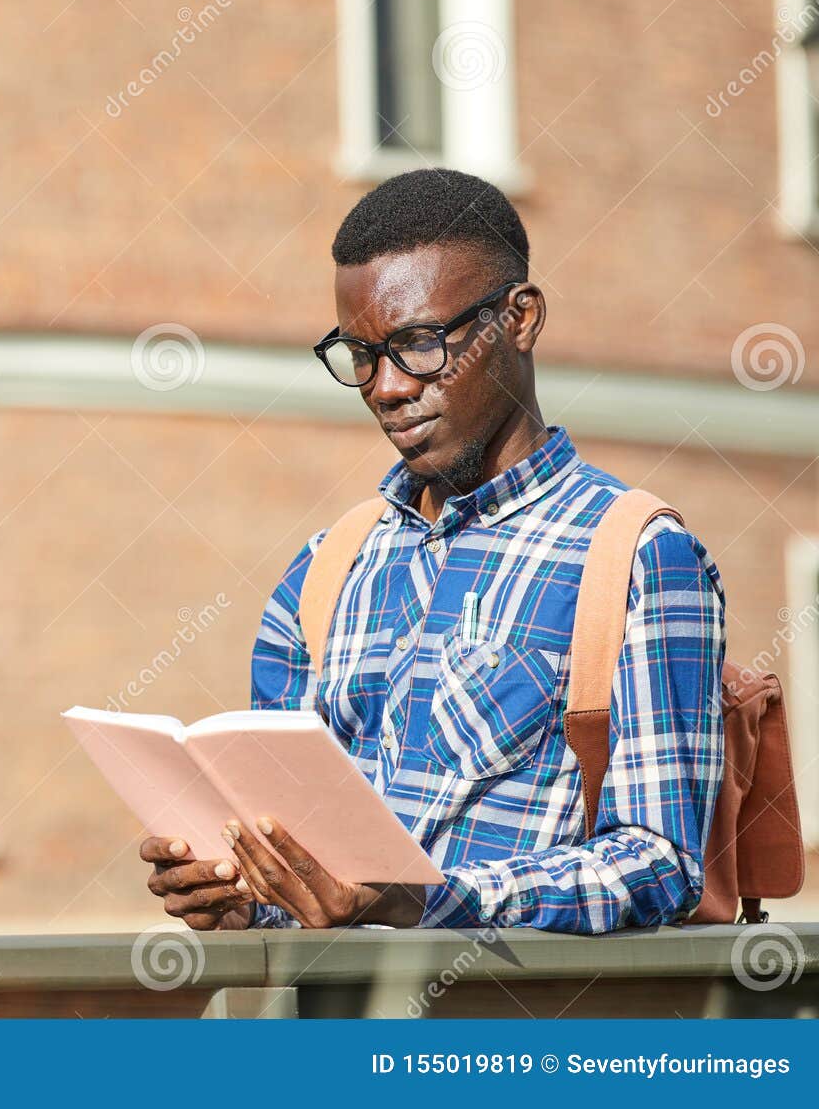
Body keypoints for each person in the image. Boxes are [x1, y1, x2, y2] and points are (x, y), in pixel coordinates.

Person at [142, 168, 726, 934]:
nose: (384, 387)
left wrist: (427, 897)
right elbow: (302, 883)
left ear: (518, 319)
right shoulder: (323, 572)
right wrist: (238, 895)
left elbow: (658, 861)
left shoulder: (637, 557)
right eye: (360, 353)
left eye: (417, 343)